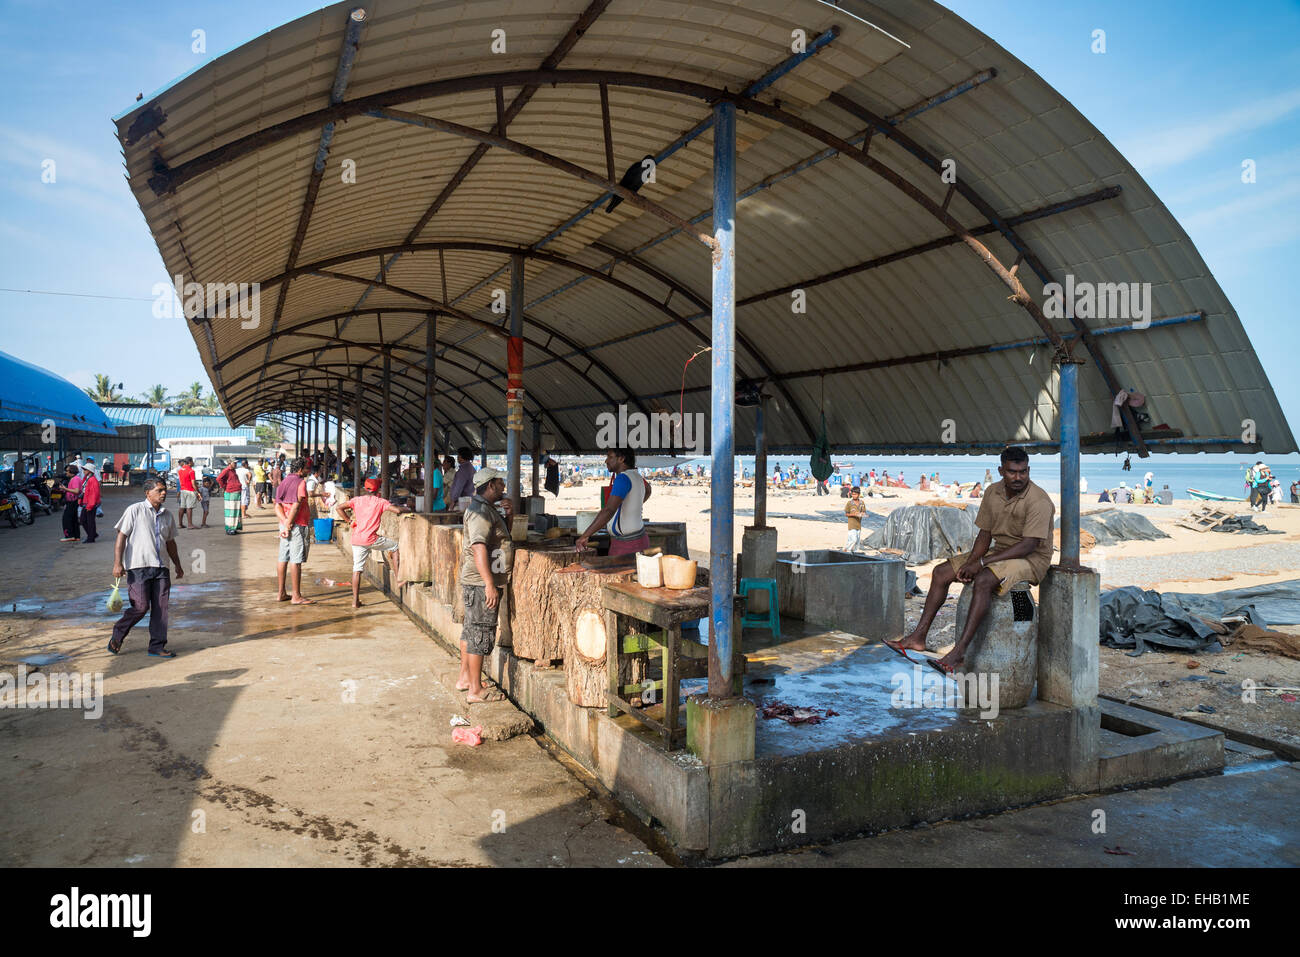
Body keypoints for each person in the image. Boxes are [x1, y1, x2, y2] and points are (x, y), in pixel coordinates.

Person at [887, 447, 1054, 674]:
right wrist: (972, 561)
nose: (1018, 477)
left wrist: (982, 564)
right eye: (1012, 472)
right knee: (941, 572)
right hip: (1001, 550)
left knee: (984, 579)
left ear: (1028, 470)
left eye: (1023, 472)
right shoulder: (993, 493)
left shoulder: (1039, 500)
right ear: (1001, 471)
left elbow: (1029, 545)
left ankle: (959, 652)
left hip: (1031, 558)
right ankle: (918, 637)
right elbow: (984, 535)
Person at [108, 477, 184, 659]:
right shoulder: (134, 510)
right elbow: (121, 537)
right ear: (147, 493)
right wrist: (117, 563)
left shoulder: (167, 515)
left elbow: (170, 542)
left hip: (161, 568)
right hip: (138, 567)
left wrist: (177, 565)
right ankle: (118, 633)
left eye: (164, 489)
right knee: (141, 607)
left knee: (161, 609)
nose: (164, 493)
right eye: (159, 490)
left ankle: (157, 646)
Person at [457, 467, 513, 704]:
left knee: (471, 630)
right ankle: (476, 691)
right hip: (481, 583)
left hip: (478, 581)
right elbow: (479, 547)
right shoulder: (480, 512)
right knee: (480, 632)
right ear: (490, 485)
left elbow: (497, 537)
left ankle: (466, 680)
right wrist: (489, 584)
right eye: (500, 483)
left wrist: (508, 515)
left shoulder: (486, 508)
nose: (503, 486)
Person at [338, 478, 411, 607]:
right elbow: (398, 511)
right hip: (371, 538)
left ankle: (355, 601)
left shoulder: (357, 500)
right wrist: (408, 509)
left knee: (357, 569)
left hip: (356, 538)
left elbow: (339, 508)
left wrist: (349, 521)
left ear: (365, 489)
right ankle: (399, 579)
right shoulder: (380, 502)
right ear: (379, 490)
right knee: (394, 546)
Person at [576, 449, 652, 555]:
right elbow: (648, 490)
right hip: (635, 540)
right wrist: (633, 506)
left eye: (610, 457)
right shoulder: (637, 476)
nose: (606, 461)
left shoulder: (623, 478)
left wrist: (585, 536)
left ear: (621, 459)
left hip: (628, 545)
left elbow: (608, 510)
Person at [274, 457, 314, 604]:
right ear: (300, 469)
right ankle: (296, 596)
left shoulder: (284, 482)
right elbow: (296, 506)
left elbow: (277, 506)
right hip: (297, 525)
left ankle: (281, 593)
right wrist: (289, 524)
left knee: (283, 557)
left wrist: (284, 523)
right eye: (306, 469)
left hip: (284, 524)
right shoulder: (301, 482)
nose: (308, 471)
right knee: (296, 560)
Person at [55, 465, 82, 542]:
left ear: (72, 472)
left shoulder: (75, 479)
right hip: (73, 501)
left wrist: (65, 488)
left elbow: (76, 491)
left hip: (72, 501)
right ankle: (76, 536)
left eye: (67, 471)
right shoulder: (74, 479)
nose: (66, 472)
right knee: (73, 519)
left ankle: (69, 535)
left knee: (66, 519)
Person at [216, 458, 243, 534]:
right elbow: (219, 479)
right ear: (229, 463)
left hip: (235, 491)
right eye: (234, 463)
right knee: (232, 511)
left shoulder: (233, 470)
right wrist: (224, 486)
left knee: (236, 510)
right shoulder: (227, 470)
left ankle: (234, 527)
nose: (236, 464)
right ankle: (230, 528)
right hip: (231, 492)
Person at [78, 463, 101, 543]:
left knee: (87, 521)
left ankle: (91, 537)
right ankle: (92, 535)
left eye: (85, 469)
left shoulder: (92, 480)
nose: (83, 471)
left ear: (90, 471)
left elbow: (94, 494)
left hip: (89, 504)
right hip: (87, 503)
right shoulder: (87, 478)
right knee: (87, 520)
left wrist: (90, 505)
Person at [177, 457, 198, 528]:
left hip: (183, 490)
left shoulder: (180, 470)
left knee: (182, 507)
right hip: (190, 491)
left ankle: (180, 524)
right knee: (189, 507)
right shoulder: (191, 471)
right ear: (190, 462)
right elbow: (193, 483)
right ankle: (190, 524)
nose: (193, 463)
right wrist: (198, 491)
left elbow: (180, 481)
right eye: (192, 461)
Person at [844, 486, 866, 552]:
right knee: (854, 539)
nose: (854, 496)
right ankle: (847, 550)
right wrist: (854, 514)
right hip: (851, 524)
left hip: (858, 524)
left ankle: (854, 552)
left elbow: (863, 512)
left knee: (857, 541)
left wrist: (862, 514)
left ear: (859, 494)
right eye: (853, 494)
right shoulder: (849, 503)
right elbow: (846, 514)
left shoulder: (862, 503)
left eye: (855, 494)